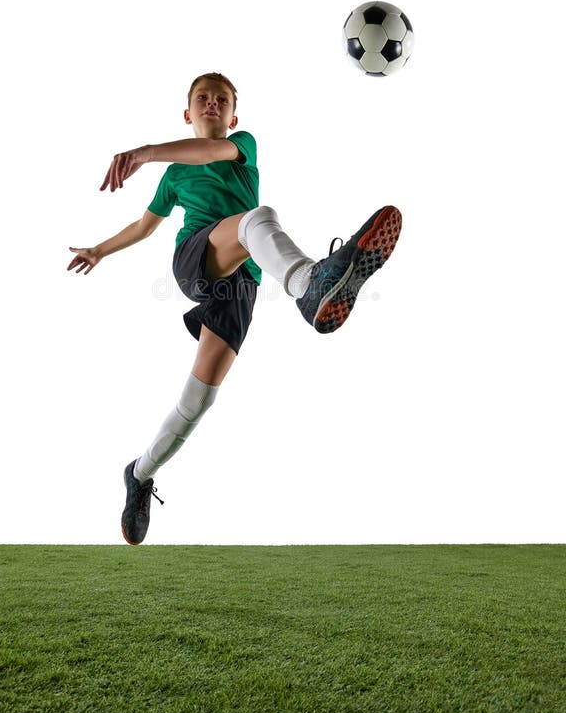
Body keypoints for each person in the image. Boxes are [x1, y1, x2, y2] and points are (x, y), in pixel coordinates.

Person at [68, 73, 402, 545]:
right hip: (197, 259)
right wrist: (99, 250)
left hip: (240, 284)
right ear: (187, 112)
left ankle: (139, 474)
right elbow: (145, 227)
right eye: (201, 98)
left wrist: (142, 152)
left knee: (199, 400)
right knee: (257, 219)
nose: (211, 104)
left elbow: (207, 151)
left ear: (233, 117)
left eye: (220, 100)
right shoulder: (174, 175)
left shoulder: (241, 145)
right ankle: (310, 283)